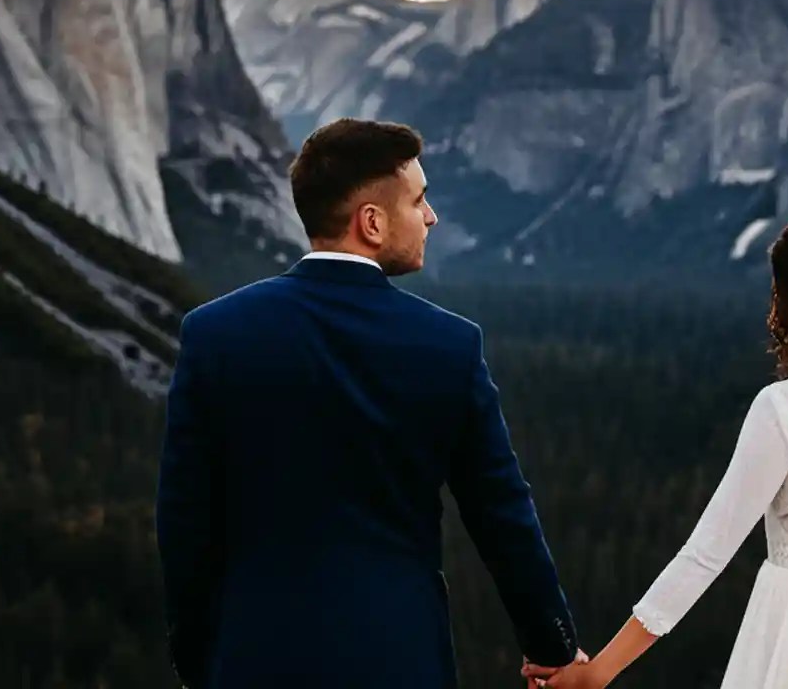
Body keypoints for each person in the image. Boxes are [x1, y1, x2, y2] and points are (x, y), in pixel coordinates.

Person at [156, 119, 582, 688]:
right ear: (372, 222)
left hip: (253, 659)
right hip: (398, 659)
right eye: (419, 200)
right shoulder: (449, 346)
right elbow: (502, 515)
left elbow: (185, 521)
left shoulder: (214, 333)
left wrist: (196, 657)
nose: (430, 217)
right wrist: (552, 645)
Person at [527, 207, 788, 688]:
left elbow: (705, 555)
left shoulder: (787, 410)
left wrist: (598, 673)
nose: (778, 309)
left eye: (785, 293)